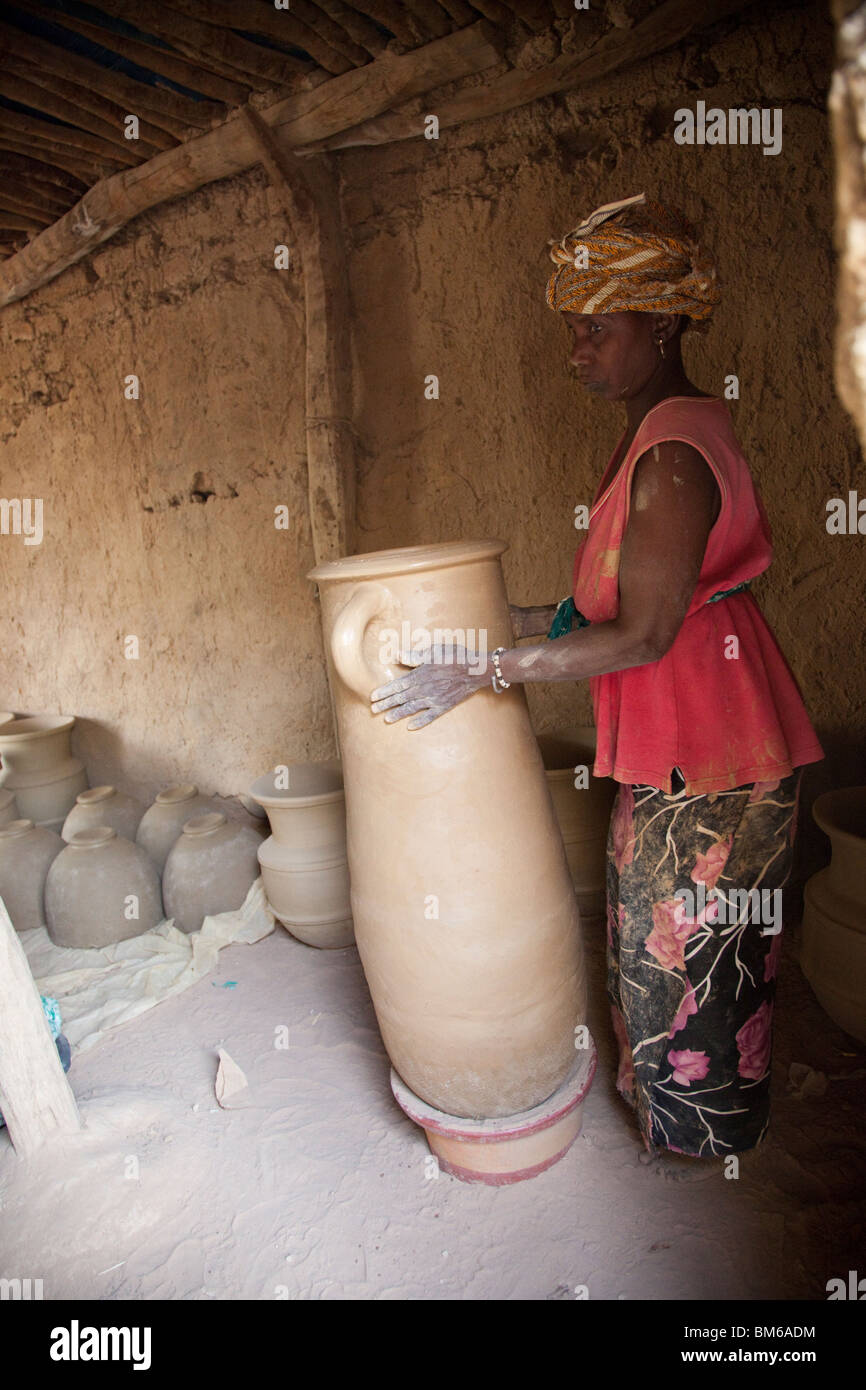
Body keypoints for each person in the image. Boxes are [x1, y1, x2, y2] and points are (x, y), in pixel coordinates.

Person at [370, 193, 823, 1166]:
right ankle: (686, 1130)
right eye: (570, 330)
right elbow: (605, 611)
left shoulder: (671, 451)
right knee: (650, 949)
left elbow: (646, 631)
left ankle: (705, 1157)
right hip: (684, 748)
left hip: (712, 760)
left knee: (693, 966)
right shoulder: (652, 429)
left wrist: (486, 670)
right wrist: (498, 622)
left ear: (658, 322)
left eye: (593, 328)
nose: (575, 349)